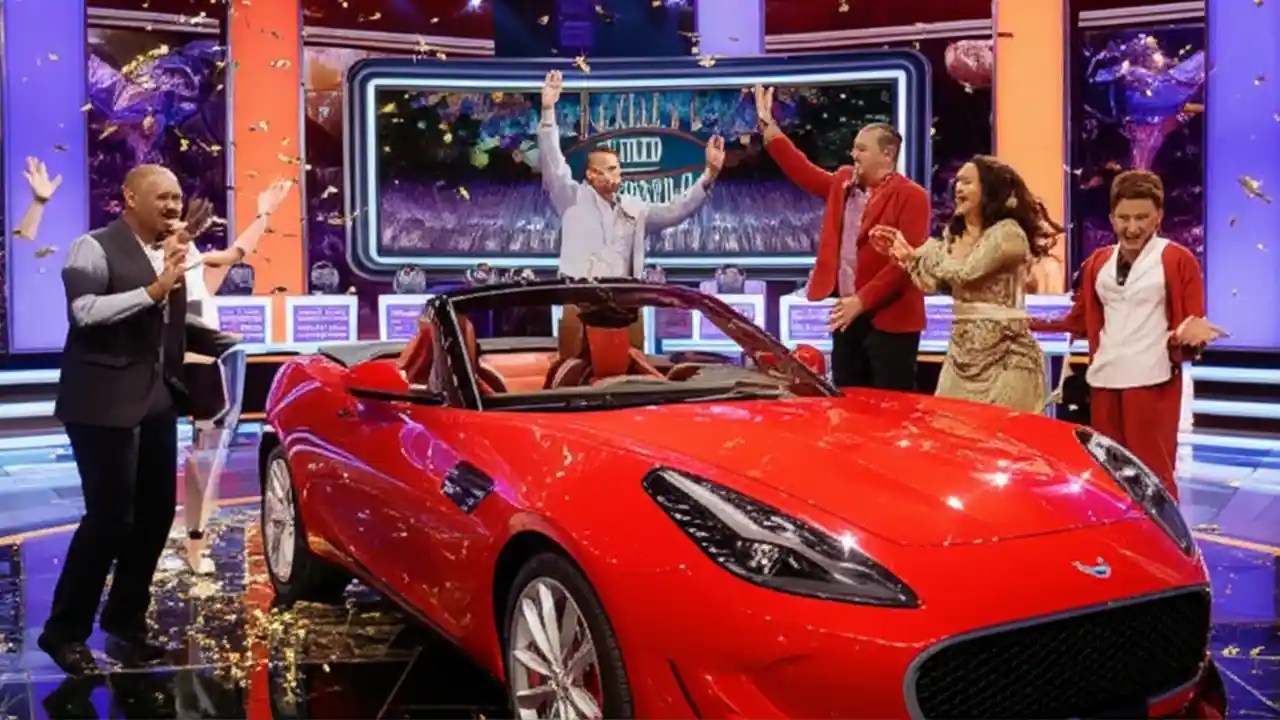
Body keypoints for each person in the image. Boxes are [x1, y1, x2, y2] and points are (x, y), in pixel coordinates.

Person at [42, 164, 231, 676]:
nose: (174, 206)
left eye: (178, 196)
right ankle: (63, 633)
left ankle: (126, 626)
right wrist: (155, 288)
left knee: (151, 520)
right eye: (163, 198)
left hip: (156, 400)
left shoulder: (172, 253)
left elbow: (164, 324)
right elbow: (84, 312)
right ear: (130, 197)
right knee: (109, 520)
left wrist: (211, 339)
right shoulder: (93, 247)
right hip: (100, 402)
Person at [1030, 171, 1225, 500]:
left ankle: (1165, 548)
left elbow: (1191, 320)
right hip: (1105, 377)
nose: (1132, 227)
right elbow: (1079, 318)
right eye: (1123, 218)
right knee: (1108, 472)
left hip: (1152, 381)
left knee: (1153, 472)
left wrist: (1193, 335)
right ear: (1111, 217)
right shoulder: (1098, 262)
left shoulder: (1178, 260)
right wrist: (1027, 322)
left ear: (1159, 217)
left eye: (1142, 218)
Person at [753, 85, 930, 390]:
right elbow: (803, 171)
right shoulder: (843, 183)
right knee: (848, 401)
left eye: (862, 149)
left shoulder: (913, 197)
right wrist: (770, 129)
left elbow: (904, 265)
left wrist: (861, 301)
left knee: (891, 408)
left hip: (891, 321)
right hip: (846, 317)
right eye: (854, 148)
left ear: (887, 154)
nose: (853, 154)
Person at [538, 69, 724, 353]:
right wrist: (548, 111)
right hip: (580, 302)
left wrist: (708, 175)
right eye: (609, 169)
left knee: (631, 370)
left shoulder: (634, 209)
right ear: (591, 174)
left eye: (618, 169)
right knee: (575, 375)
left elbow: (676, 210)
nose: (616, 176)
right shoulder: (571, 198)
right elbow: (552, 162)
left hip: (626, 305)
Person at [871, 156, 1062, 412]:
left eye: (968, 182)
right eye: (957, 182)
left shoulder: (1008, 233)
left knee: (1002, 441)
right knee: (950, 436)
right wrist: (907, 257)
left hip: (1005, 359)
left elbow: (965, 273)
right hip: (960, 357)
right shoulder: (954, 235)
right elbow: (934, 283)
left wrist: (923, 253)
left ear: (989, 189)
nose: (958, 188)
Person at [176, 179, 293, 573]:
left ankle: (195, 541)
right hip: (177, 361)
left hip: (210, 365)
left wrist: (265, 212)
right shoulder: (162, 253)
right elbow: (232, 253)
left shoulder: (194, 257)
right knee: (189, 458)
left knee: (208, 458)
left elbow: (234, 255)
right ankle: (170, 538)